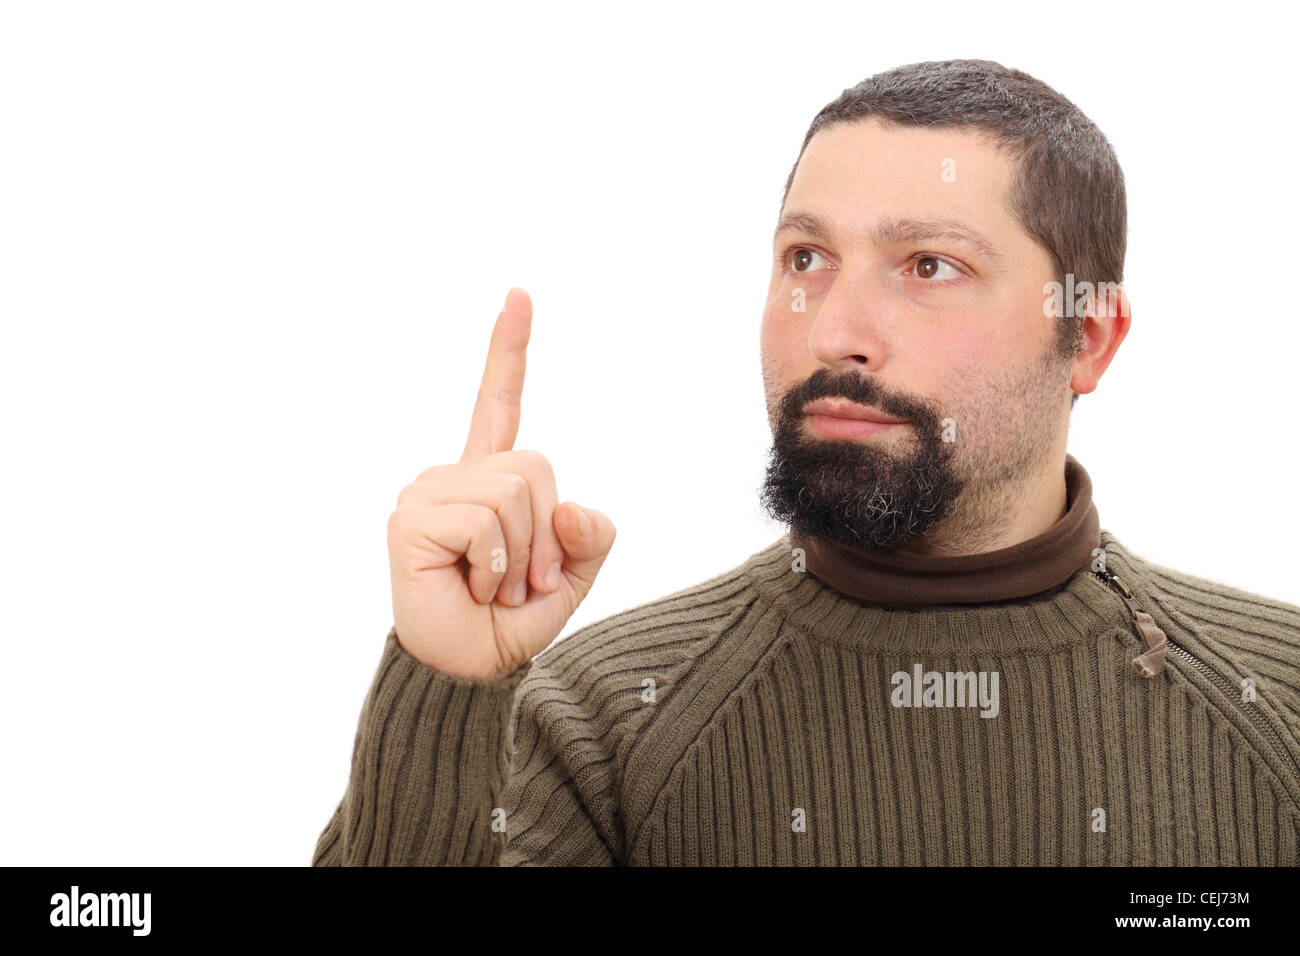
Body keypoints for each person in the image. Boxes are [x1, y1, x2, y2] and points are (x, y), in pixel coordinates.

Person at [313, 59, 1300, 866]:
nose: (834, 331)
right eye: (804, 260)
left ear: (1086, 335)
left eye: (928, 267)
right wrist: (446, 684)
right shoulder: (596, 721)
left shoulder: (1278, 694)